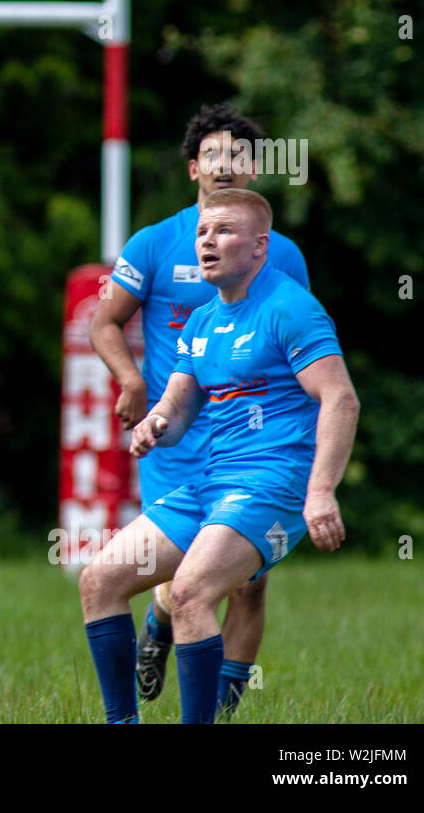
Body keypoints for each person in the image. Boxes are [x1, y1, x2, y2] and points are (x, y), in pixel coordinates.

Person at [80, 188, 358, 723]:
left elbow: (340, 398)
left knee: (188, 594)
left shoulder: (290, 308)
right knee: (99, 581)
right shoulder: (204, 320)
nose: (208, 241)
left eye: (225, 231)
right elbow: (177, 411)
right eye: (203, 232)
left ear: (260, 246)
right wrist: (153, 426)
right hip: (213, 480)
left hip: (274, 485)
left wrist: (321, 491)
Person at [89, 104, 309, 715]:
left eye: (238, 155)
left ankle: (218, 706)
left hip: (253, 448)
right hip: (175, 439)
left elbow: (302, 354)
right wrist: (132, 382)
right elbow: (103, 320)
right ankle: (159, 624)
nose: (226, 165)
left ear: (256, 169)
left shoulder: (281, 254)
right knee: (184, 578)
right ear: (193, 169)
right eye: (214, 155)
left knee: (247, 583)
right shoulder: (155, 242)